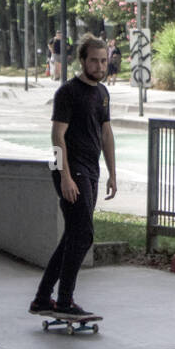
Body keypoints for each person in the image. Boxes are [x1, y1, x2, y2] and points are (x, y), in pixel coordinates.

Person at [30, 35, 117, 320]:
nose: (100, 65)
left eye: (104, 60)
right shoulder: (68, 92)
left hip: (90, 170)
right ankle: (64, 300)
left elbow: (106, 134)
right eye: (94, 60)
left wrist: (112, 173)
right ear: (82, 60)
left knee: (73, 235)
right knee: (83, 234)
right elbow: (57, 135)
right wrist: (65, 176)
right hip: (69, 169)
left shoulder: (102, 93)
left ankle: (43, 298)